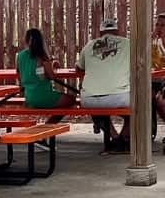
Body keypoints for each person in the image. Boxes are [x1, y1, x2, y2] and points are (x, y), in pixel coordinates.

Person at [76, 18, 131, 150]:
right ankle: (123, 138)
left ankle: (115, 138)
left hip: (89, 99)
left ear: (101, 33)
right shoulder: (128, 44)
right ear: (117, 31)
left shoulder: (89, 46)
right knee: (143, 106)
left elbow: (79, 68)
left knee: (97, 109)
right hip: (119, 97)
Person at [16, 28, 75, 120]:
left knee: (62, 100)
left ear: (26, 40)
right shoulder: (42, 56)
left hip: (29, 96)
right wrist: (54, 67)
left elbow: (19, 74)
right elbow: (51, 76)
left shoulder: (20, 56)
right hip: (43, 95)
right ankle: (50, 124)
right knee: (72, 100)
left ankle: (49, 126)